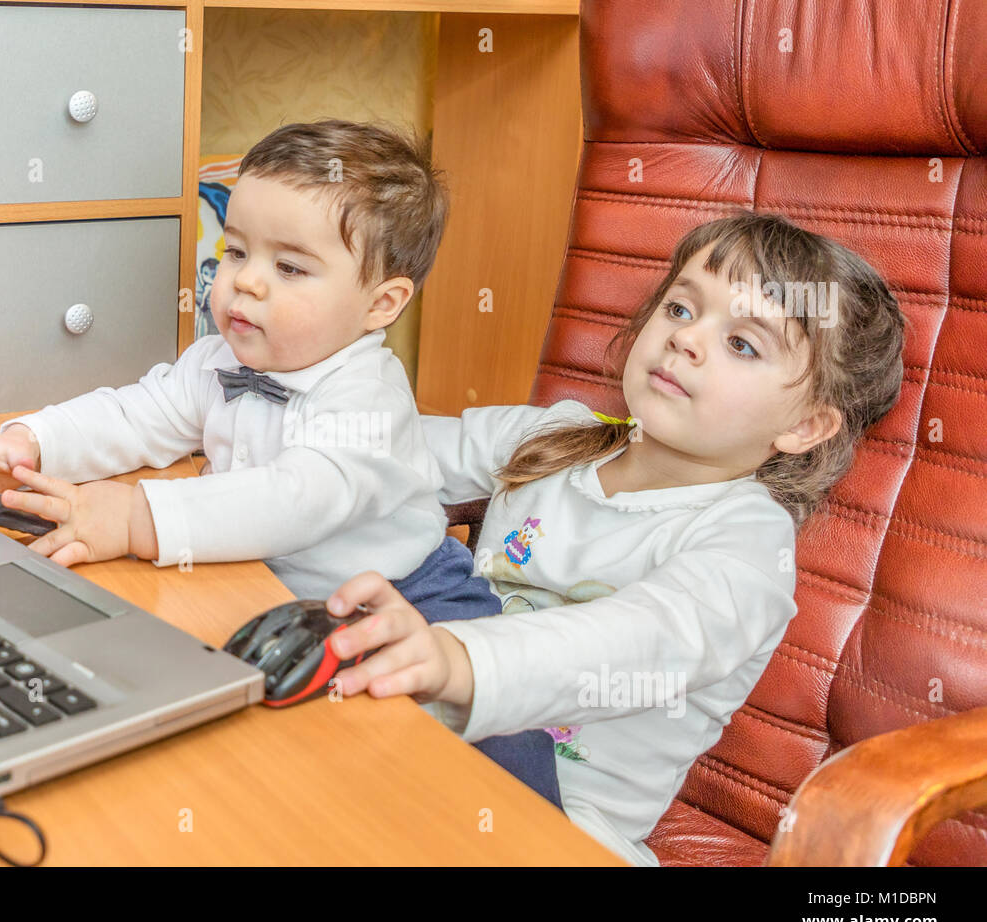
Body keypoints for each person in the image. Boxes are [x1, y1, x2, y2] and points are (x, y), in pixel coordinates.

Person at [320, 211, 906, 865]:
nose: (686, 340)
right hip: (417, 738)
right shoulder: (561, 436)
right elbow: (394, 451)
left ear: (804, 427)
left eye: (743, 344)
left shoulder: (747, 547)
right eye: (682, 308)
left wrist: (461, 657)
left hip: (566, 822)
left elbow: (640, 641)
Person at [0, 119, 498, 622]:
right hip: (269, 583)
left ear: (381, 303)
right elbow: (137, 415)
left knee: (467, 728)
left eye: (291, 267)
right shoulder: (222, 359)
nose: (245, 280)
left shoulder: (367, 400)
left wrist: (135, 519)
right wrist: (31, 445)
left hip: (410, 593)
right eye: (237, 252)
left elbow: (292, 502)